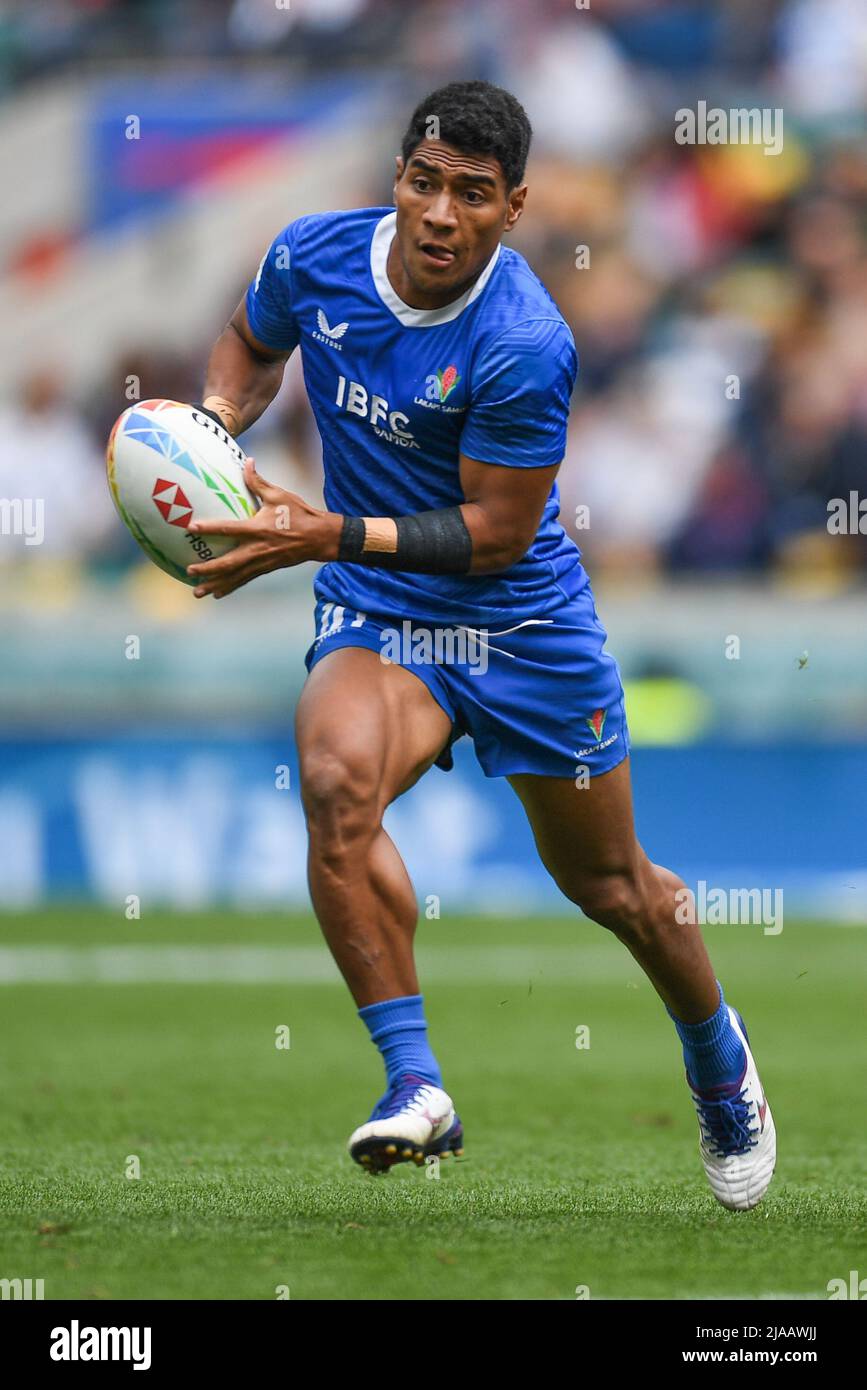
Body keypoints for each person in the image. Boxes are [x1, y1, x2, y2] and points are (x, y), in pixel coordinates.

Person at [187, 80, 774, 1210]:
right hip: (377, 605)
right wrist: (212, 428)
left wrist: (324, 529)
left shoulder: (524, 341)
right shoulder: (311, 257)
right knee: (334, 782)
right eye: (424, 182)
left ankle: (716, 1056)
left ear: (514, 208)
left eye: (472, 194)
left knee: (611, 885)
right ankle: (417, 1085)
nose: (441, 214)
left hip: (522, 625)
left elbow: (499, 535)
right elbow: (248, 343)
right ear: (396, 181)